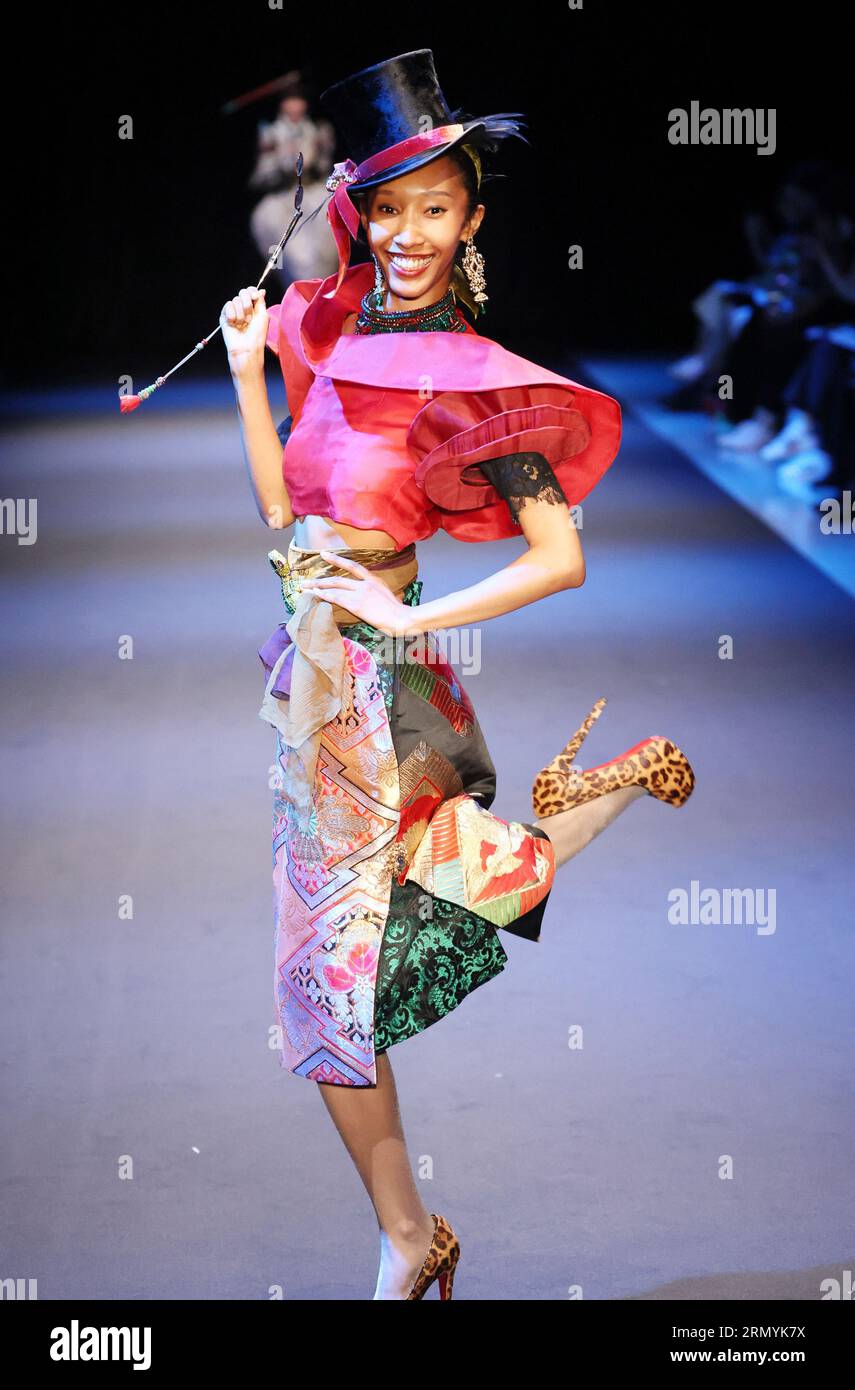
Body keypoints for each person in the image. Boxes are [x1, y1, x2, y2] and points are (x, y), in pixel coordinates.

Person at [221, 50, 696, 1301]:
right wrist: (243, 372)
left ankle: (405, 1237)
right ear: (360, 216)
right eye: (390, 208)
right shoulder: (328, 329)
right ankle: (410, 1234)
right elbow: (283, 506)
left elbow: (564, 557)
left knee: (322, 990)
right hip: (307, 684)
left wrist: (396, 605)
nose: (412, 232)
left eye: (439, 208)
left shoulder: (472, 376)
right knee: (351, 962)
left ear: (472, 220)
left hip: (371, 684)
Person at [248, 73, 340, 288]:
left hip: (313, 190)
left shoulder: (318, 130)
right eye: (290, 101)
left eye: (298, 100)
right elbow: (262, 173)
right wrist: (282, 162)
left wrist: (312, 159)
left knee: (329, 221)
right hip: (285, 195)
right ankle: (296, 286)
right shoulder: (270, 133)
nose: (295, 106)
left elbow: (327, 165)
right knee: (269, 222)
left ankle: (326, 285)